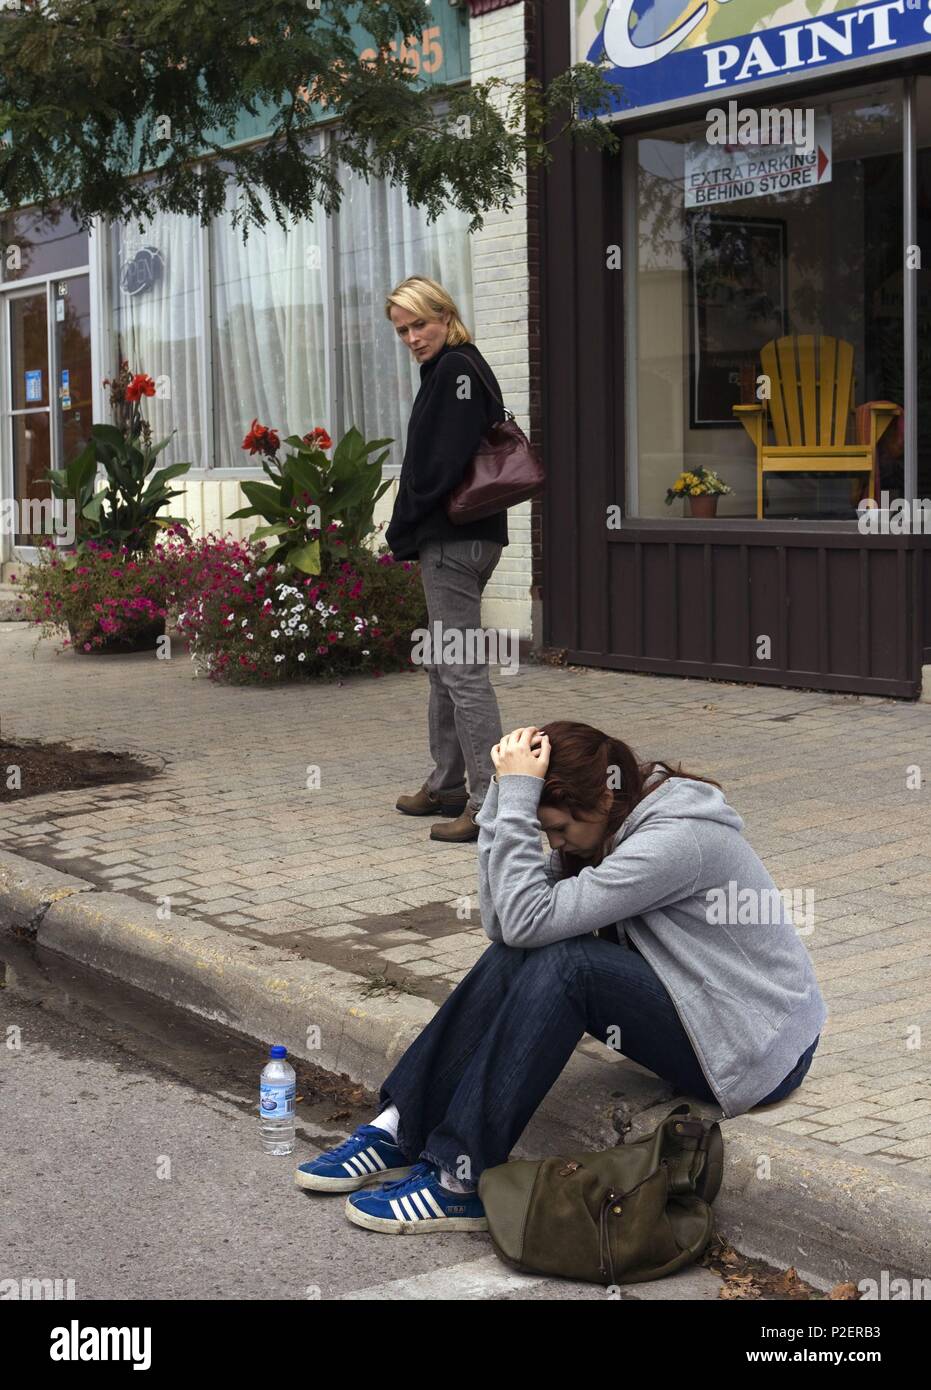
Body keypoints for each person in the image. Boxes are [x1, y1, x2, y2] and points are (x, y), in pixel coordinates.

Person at [294, 720, 828, 1235]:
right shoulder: (607, 826)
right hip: (700, 1011)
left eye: (558, 829)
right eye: (545, 832)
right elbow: (505, 924)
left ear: (600, 802)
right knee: (523, 953)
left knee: (568, 963)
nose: (554, 845)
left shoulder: (674, 841)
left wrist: (522, 798)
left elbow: (527, 920)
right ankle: (399, 1130)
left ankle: (460, 1180)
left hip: (753, 1045)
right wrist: (506, 800)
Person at [383, 275, 510, 845]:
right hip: (469, 538)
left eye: (420, 324)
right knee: (442, 660)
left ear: (445, 315)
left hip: (454, 541)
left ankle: (489, 805)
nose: (412, 337)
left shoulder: (458, 369)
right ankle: (448, 783)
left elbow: (442, 462)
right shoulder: (452, 367)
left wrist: (404, 518)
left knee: (461, 668)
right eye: (402, 329)